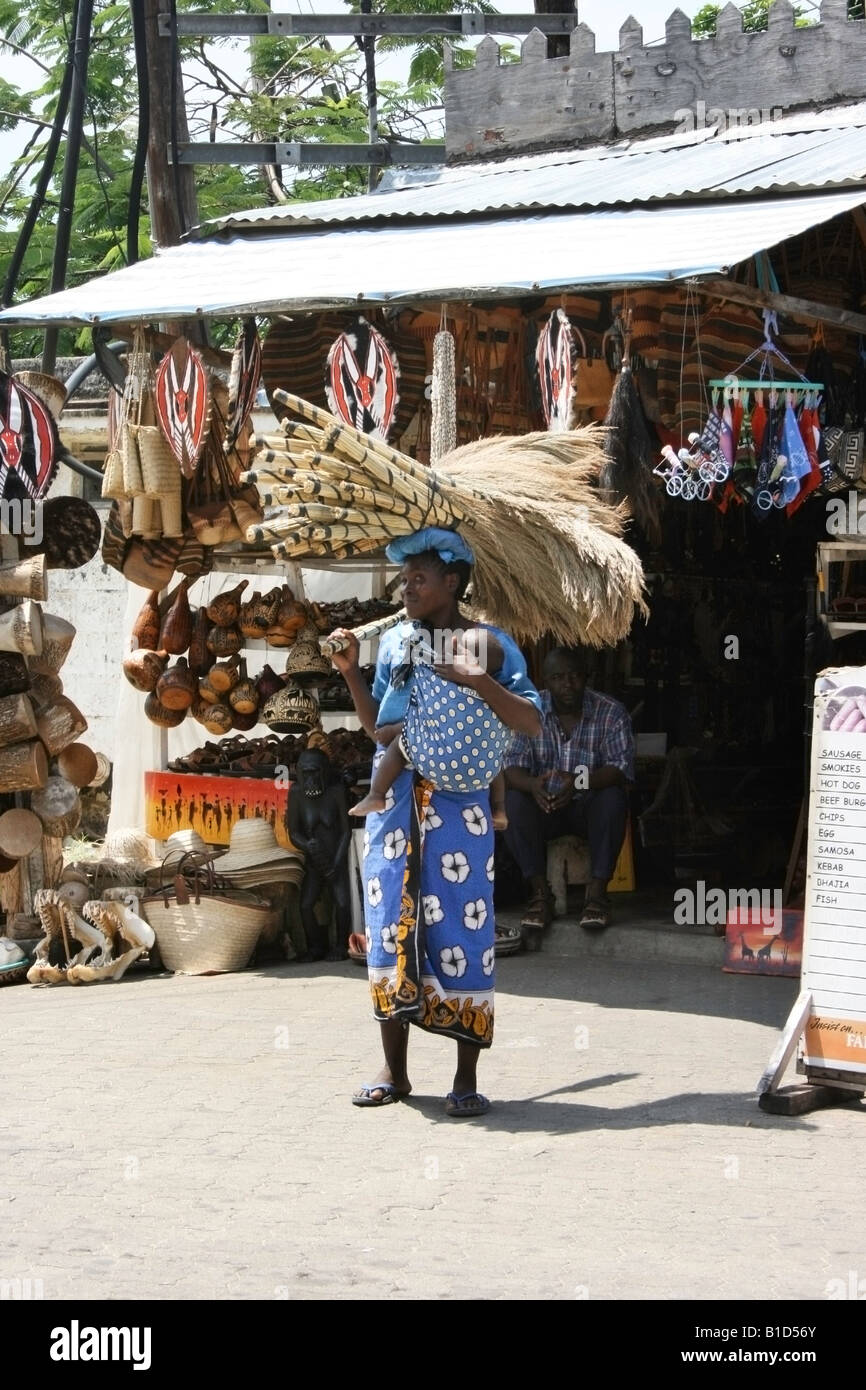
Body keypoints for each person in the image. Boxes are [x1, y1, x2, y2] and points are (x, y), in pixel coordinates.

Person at [328, 526, 542, 1117]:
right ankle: (393, 1072)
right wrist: (350, 671)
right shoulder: (396, 645)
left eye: (418, 578)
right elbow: (379, 729)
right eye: (404, 578)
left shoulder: (488, 643)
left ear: (452, 583)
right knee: (390, 925)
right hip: (396, 803)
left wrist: (478, 683)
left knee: (462, 930)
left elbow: (529, 721)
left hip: (460, 809)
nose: (406, 588)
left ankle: (465, 1079)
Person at [503, 645, 634, 941]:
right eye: (559, 677)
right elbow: (511, 769)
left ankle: (597, 896)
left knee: (613, 798)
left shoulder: (610, 712)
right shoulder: (529, 711)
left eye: (574, 676)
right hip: (545, 807)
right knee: (512, 801)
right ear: (546, 681)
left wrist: (578, 782)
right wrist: (534, 785)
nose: (568, 684)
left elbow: (619, 768)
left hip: (586, 808)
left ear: (587, 677)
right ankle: (540, 895)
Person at [348, 627, 509, 831]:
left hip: (441, 761)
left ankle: (376, 794)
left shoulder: (448, 691)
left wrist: (392, 731)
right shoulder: (493, 695)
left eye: (456, 650)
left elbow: (424, 721)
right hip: (479, 770)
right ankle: (500, 808)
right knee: (496, 758)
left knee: (400, 745)